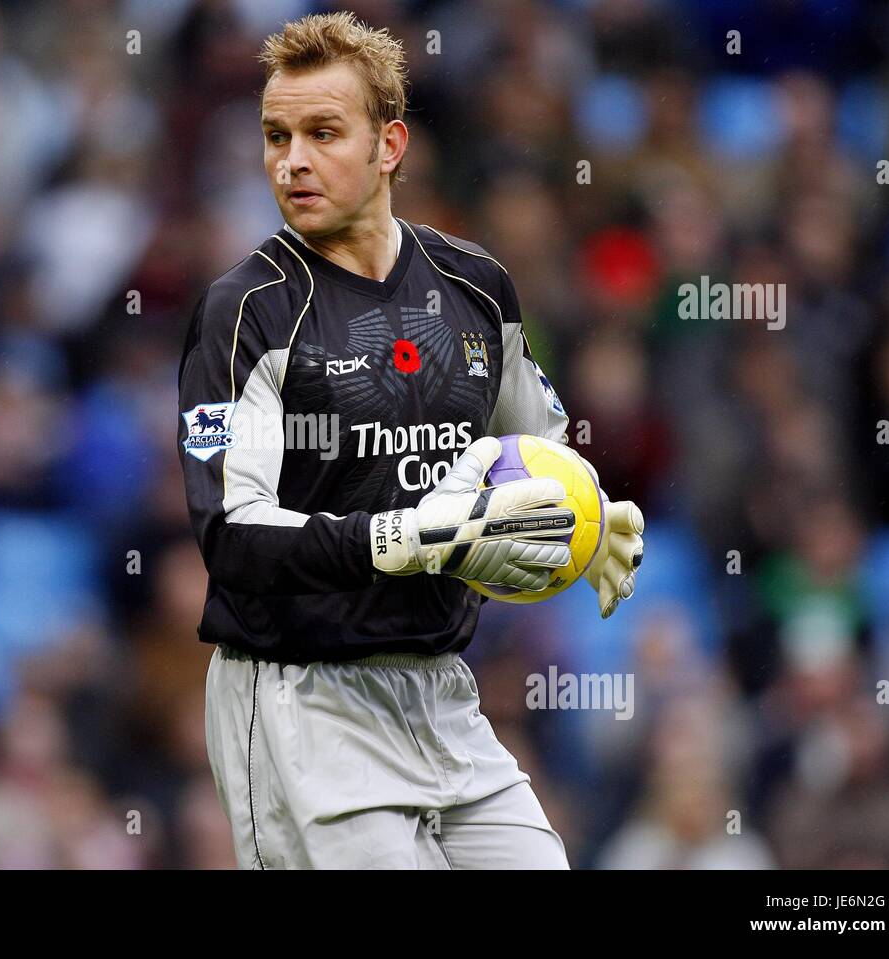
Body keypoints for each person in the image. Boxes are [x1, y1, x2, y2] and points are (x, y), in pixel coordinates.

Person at [178, 12, 644, 869]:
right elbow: (231, 538)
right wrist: (399, 539)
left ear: (390, 145)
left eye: (323, 133)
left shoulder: (475, 287)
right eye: (276, 136)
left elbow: (533, 451)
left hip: (440, 692)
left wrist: (589, 515)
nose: (292, 161)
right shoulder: (246, 310)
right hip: (300, 700)